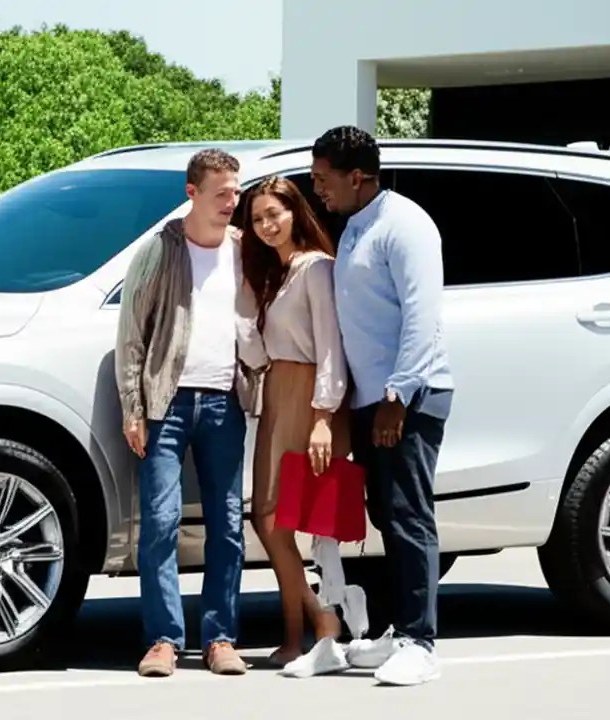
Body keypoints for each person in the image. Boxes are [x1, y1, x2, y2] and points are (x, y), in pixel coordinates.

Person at [309, 125, 455, 686]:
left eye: (325, 180)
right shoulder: (353, 227)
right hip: (371, 401)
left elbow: (422, 317)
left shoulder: (406, 225)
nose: (319, 190)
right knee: (386, 516)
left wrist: (398, 395)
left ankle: (422, 642)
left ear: (357, 177)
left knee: (410, 515)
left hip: (409, 398)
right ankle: (398, 632)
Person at [115, 148, 254, 678]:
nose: (231, 202)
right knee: (160, 523)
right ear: (192, 193)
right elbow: (132, 336)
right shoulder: (159, 251)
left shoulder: (244, 251)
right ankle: (164, 640)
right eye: (221, 193)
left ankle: (220, 637)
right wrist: (133, 408)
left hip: (224, 402)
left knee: (227, 526)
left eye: (236, 191)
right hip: (165, 404)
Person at [234, 176, 369, 678]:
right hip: (277, 393)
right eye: (257, 219)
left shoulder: (316, 269)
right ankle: (302, 631)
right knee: (269, 519)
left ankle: (320, 626)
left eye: (275, 214)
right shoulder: (274, 272)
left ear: (296, 211)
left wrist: (323, 418)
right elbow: (257, 348)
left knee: (290, 518)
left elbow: (332, 346)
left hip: (310, 396)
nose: (267, 225)